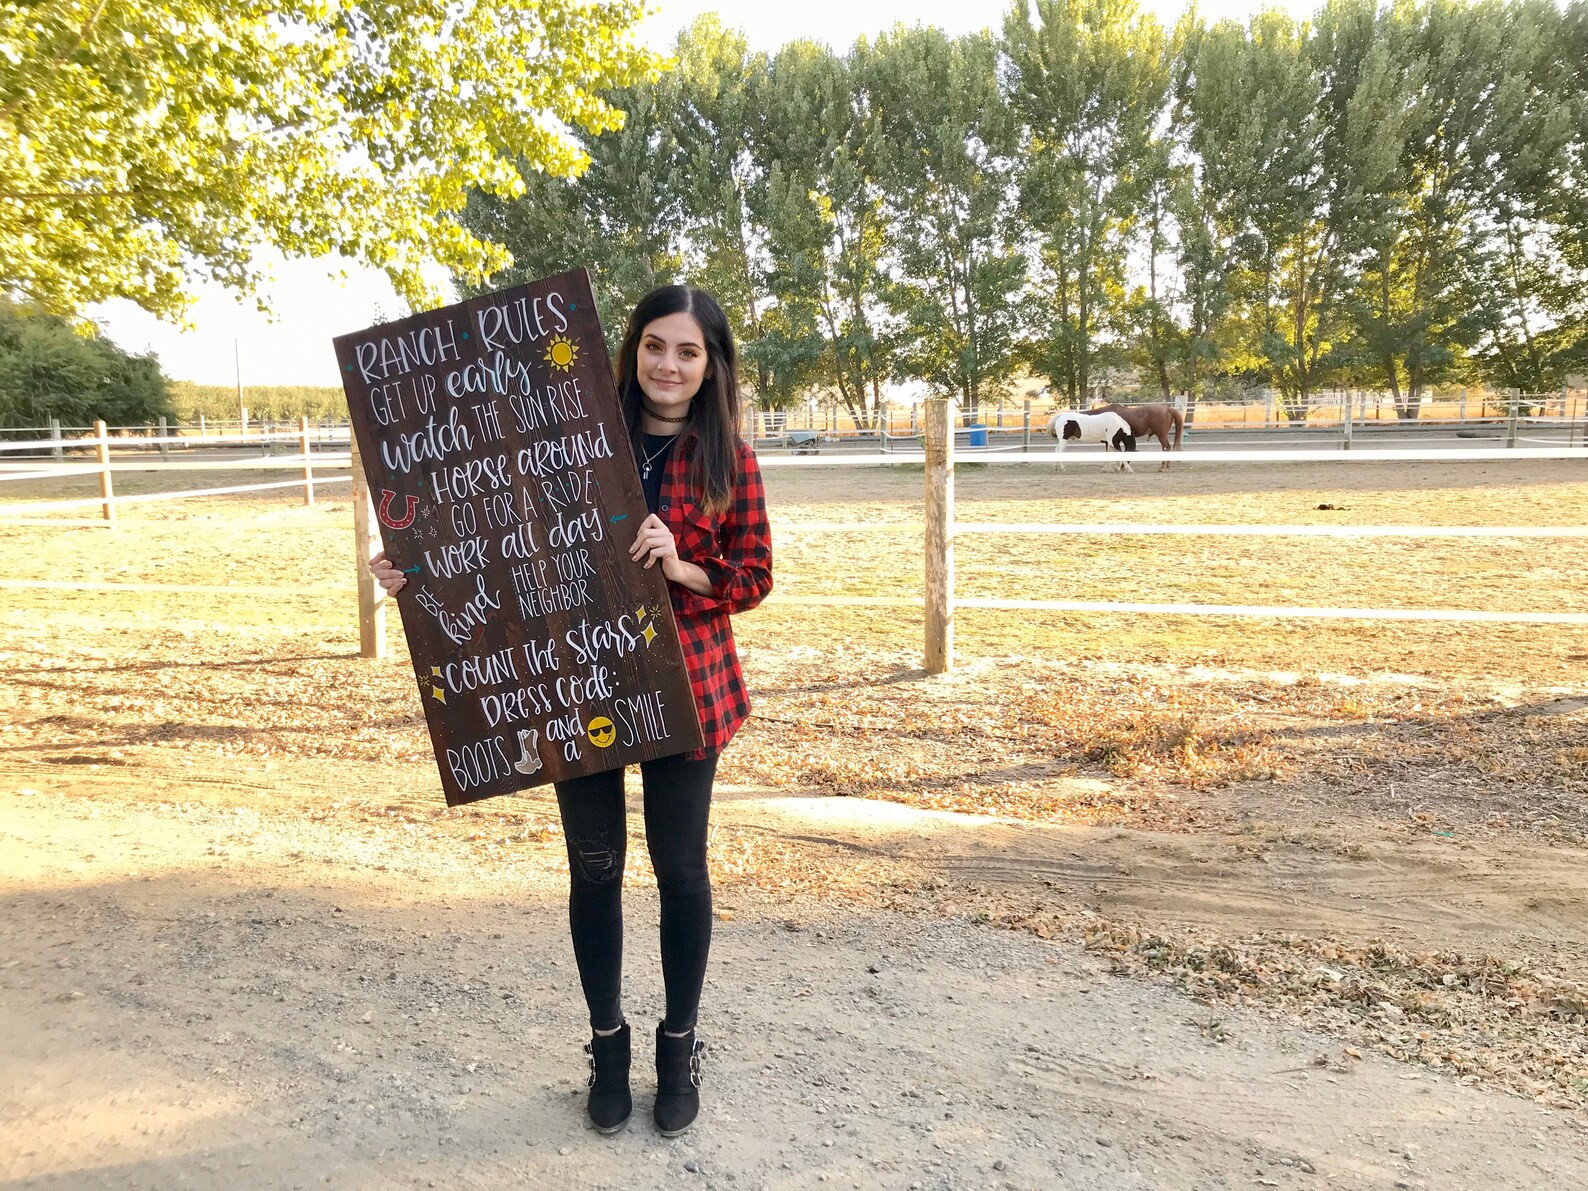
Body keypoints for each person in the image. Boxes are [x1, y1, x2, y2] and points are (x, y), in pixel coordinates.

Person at [369, 284, 772, 1137]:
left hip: (687, 692)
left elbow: (753, 579)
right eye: (655, 345)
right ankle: (607, 1045)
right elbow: (494, 537)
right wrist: (417, 569)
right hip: (575, 682)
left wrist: (682, 565)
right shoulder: (570, 441)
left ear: (712, 365)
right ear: (630, 351)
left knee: (681, 868)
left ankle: (678, 1045)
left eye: (688, 351)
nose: (669, 364)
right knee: (594, 868)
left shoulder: (730, 459)